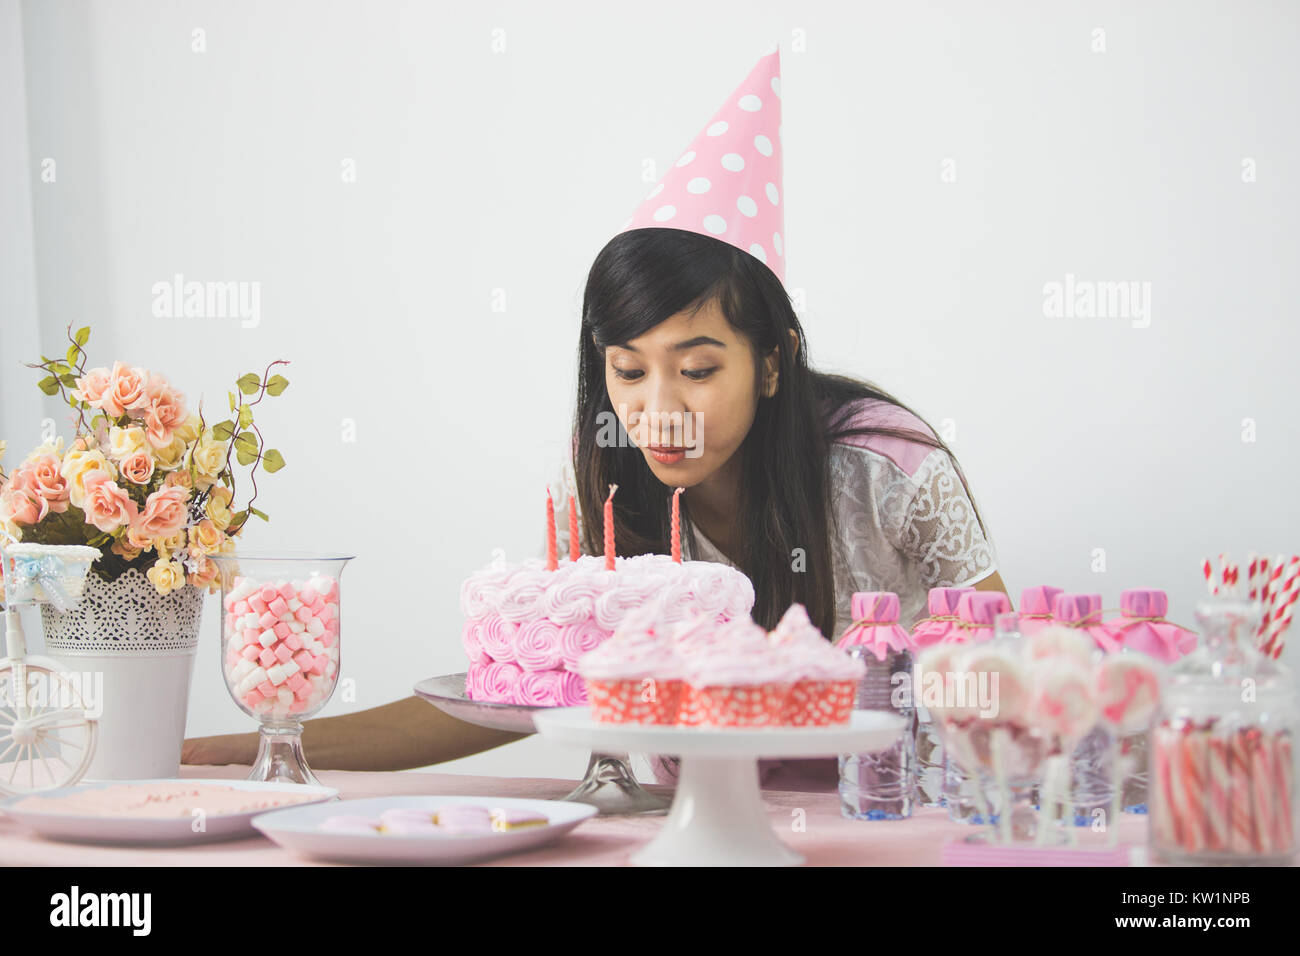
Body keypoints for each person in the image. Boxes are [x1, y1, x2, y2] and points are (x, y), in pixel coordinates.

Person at [183, 48, 1008, 777]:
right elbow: (528, 694)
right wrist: (248, 746)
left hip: (899, 820)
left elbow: (1006, 672)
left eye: (697, 368)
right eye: (627, 371)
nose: (659, 411)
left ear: (773, 362)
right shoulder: (606, 479)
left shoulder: (891, 472)